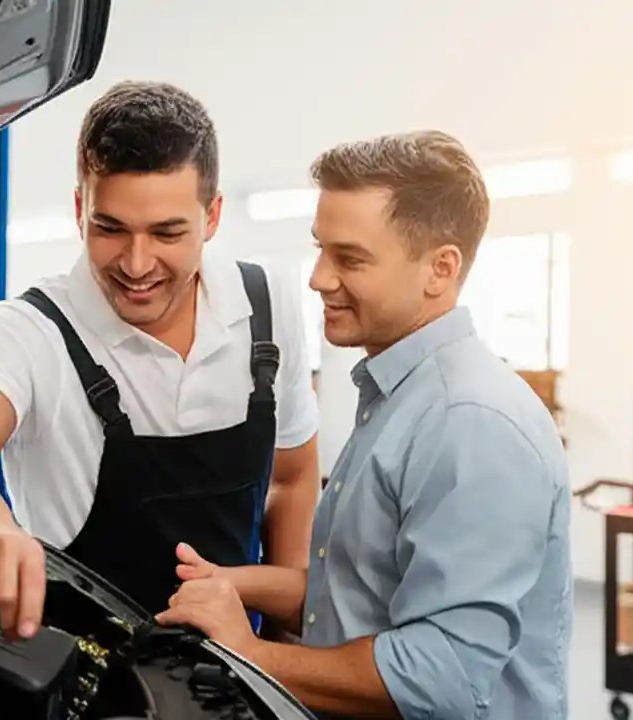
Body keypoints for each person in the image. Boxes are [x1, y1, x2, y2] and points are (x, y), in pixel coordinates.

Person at [156, 130, 572, 720]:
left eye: (349, 259)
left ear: (440, 269)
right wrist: (230, 583)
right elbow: (353, 599)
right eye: (321, 249)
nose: (319, 278)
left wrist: (249, 653)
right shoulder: (399, 399)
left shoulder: (470, 424)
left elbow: (441, 677)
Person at [0, 81, 320, 642]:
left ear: (212, 216)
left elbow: (291, 478)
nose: (137, 263)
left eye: (167, 232)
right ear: (81, 209)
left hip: (234, 668)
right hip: (81, 668)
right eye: (110, 229)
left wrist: (285, 633)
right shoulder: (33, 330)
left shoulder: (266, 309)